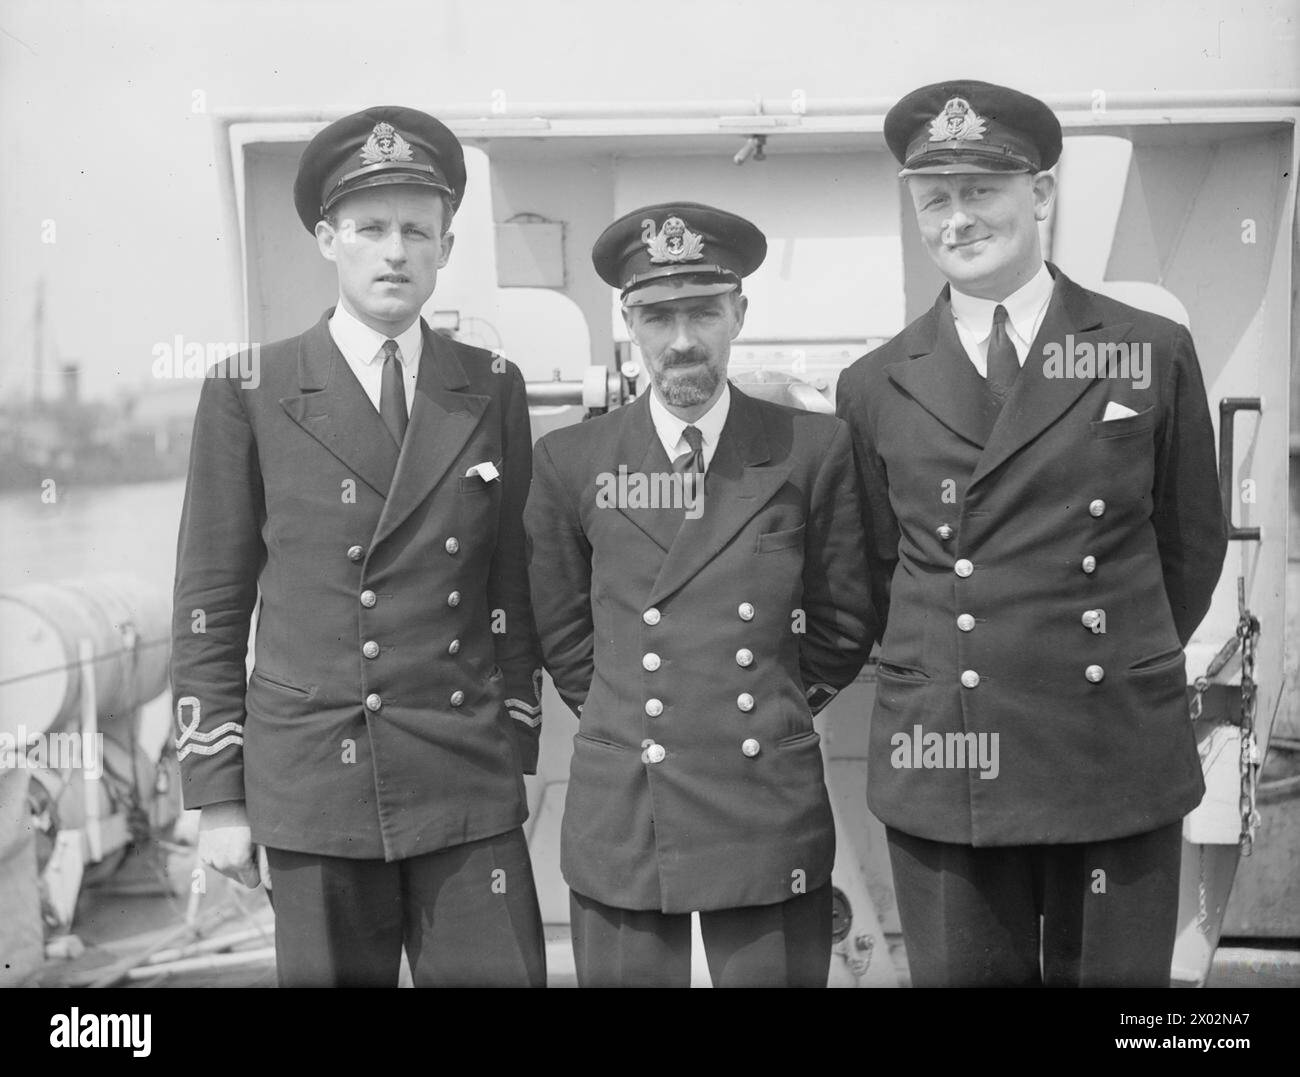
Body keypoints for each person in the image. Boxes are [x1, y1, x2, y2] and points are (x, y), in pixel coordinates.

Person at [835, 80, 1228, 987]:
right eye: (936, 198)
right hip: (952, 760)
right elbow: (876, 574)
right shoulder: (877, 383)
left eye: (983, 190)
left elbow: (1188, 547)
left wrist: (1111, 652)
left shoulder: (1145, 347)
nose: (958, 218)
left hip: (1110, 751)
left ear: (1041, 194)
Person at [170, 106, 546, 987]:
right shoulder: (250, 388)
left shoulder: (490, 385)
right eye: (371, 228)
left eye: (418, 230)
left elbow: (510, 582)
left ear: (447, 247)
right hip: (314, 784)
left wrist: (517, 744)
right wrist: (218, 795)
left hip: (463, 773)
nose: (394, 251)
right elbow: (211, 602)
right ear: (325, 238)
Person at [524, 202, 875, 987]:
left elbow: (846, 618)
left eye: (703, 312)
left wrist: (760, 703)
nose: (681, 339)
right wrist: (632, 710)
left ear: (738, 313)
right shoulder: (573, 461)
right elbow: (566, 637)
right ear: (630, 323)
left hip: (763, 800)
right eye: (657, 315)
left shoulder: (809, 450)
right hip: (627, 803)